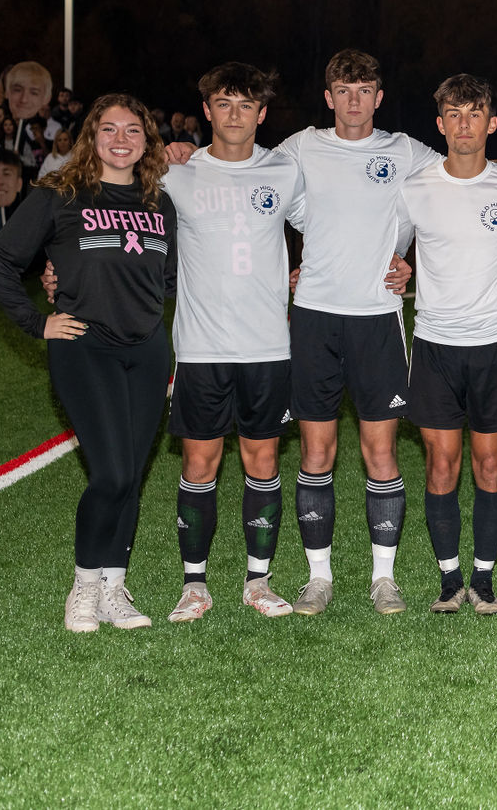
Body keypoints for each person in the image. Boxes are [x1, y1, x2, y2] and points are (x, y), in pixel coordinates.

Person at [169, 49, 424, 616]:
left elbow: (450, 185)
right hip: (307, 318)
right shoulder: (293, 152)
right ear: (328, 97)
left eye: (365, 91)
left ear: (379, 98)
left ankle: (383, 579)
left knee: (381, 452)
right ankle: (315, 577)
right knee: (313, 451)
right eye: (343, 90)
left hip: (372, 317)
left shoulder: (403, 149)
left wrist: (404, 251)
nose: (354, 101)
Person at [0, 93, 176, 632]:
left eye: (133, 130)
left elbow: (170, 280)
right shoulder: (59, 195)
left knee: (130, 475)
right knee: (111, 473)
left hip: (147, 350)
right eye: (109, 129)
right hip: (84, 346)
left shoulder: (159, 203)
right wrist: (36, 321)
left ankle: (115, 587)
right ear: (91, 136)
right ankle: (85, 586)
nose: (121, 140)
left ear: (147, 141)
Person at [157, 64, 305, 621]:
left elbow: (323, 226)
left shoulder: (284, 171)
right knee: (200, 464)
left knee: (262, 461)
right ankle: (194, 585)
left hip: (267, 345)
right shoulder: (178, 172)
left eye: (246, 105)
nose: (235, 115)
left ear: (262, 114)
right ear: (207, 110)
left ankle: (257, 582)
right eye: (224, 103)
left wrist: (312, 269)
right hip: (201, 347)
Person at [401, 74, 497, 615]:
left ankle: (483, 579)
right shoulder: (415, 187)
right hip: (435, 345)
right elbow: (384, 246)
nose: (464, 124)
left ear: (491, 124)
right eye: (454, 115)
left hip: (495, 345)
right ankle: (449, 579)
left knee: (490, 464)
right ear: (440, 124)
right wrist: (395, 264)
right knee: (441, 464)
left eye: (474, 114)